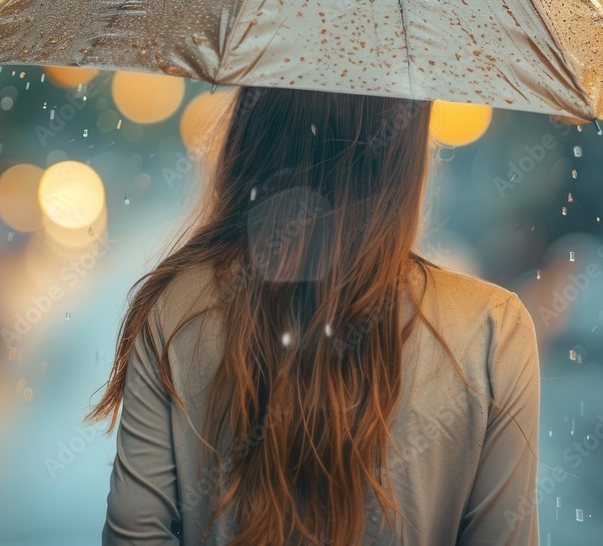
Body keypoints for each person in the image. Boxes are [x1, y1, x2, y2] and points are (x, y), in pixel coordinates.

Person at [85, 86, 541, 545]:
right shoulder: (493, 328)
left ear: (254, 125)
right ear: (404, 153)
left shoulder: (176, 306)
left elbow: (134, 535)